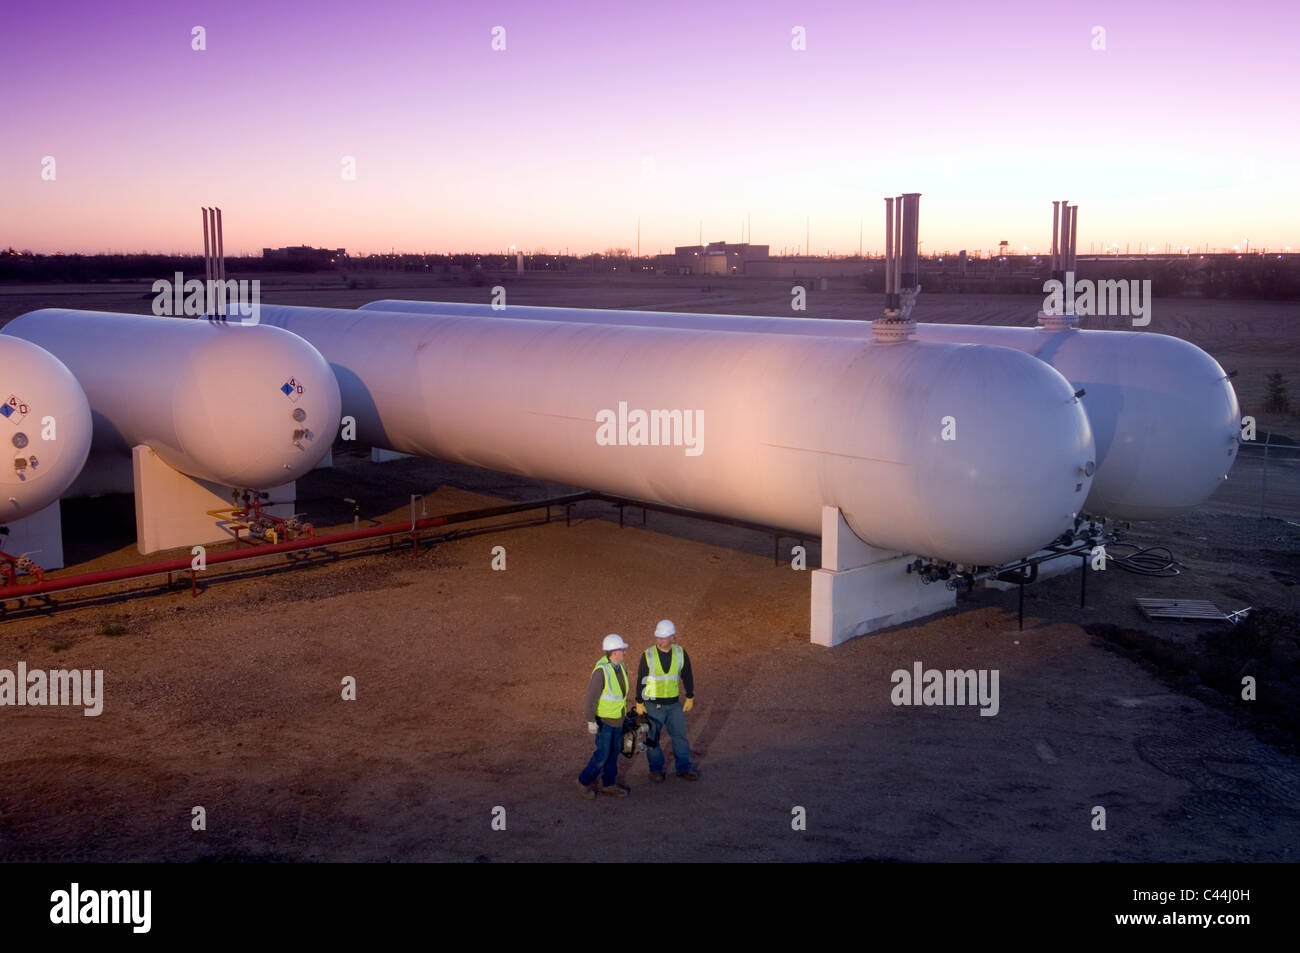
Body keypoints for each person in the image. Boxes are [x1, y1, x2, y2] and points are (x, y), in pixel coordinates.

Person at [634, 619, 698, 781]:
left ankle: (684, 768)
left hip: (673, 704)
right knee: (652, 738)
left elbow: (687, 676)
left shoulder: (680, 653)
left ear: (673, 637)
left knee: (680, 736)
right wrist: (639, 701)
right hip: (653, 705)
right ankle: (655, 770)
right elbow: (642, 679)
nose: (660, 640)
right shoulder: (648, 655)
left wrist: (690, 695)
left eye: (663, 637)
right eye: (658, 637)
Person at [577, 634, 632, 798]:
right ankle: (583, 782)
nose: (624, 652)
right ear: (614, 652)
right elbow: (590, 700)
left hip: (617, 719)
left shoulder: (619, 667)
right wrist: (590, 721)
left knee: (614, 753)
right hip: (605, 722)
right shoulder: (602, 671)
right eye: (622, 649)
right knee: (602, 754)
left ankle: (609, 784)